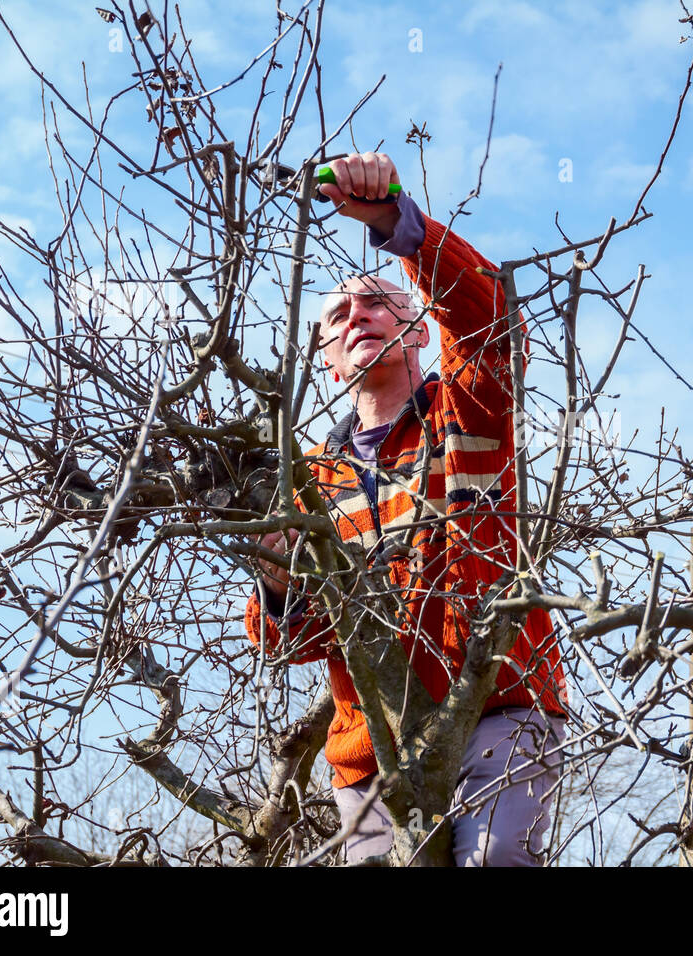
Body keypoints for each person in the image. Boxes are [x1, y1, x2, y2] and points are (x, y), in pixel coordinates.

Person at [243, 151, 568, 866]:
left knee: (497, 862)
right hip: (374, 752)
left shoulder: (468, 411)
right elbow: (288, 646)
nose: (358, 315)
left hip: (499, 709)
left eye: (377, 302)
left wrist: (397, 223)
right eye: (338, 316)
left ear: (418, 330)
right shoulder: (309, 490)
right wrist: (274, 586)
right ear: (327, 359)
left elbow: (486, 319)